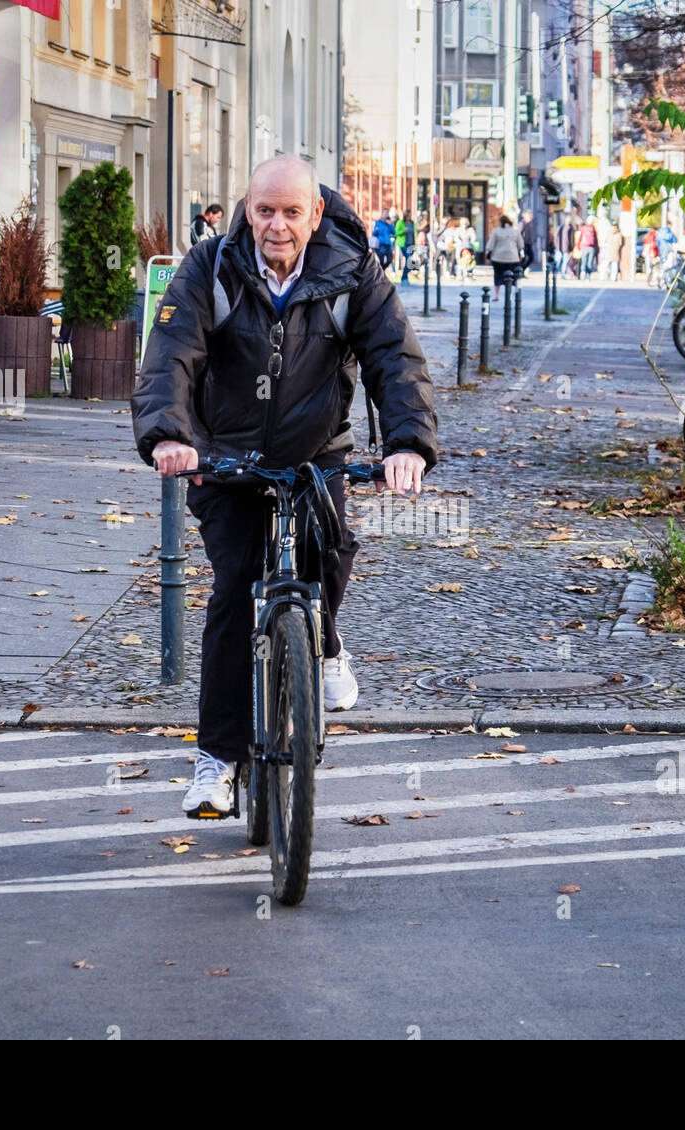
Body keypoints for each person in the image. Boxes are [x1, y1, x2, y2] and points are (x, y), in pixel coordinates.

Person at [131, 155, 439, 817]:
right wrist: (168, 435)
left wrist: (408, 445)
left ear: (315, 214)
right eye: (264, 211)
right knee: (234, 591)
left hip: (314, 456)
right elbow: (170, 356)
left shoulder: (354, 272)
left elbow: (396, 358)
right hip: (225, 461)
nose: (277, 226)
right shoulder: (210, 267)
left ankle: (323, 644)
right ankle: (216, 761)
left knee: (330, 548)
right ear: (247, 209)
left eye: (291, 212)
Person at [484, 213, 525, 300]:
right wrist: (520, 254)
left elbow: (490, 245)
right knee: (513, 277)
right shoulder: (515, 231)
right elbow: (521, 245)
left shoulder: (496, 231)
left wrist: (488, 256)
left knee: (498, 276)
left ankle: (496, 295)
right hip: (512, 258)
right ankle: (515, 294)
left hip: (498, 258)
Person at [578, 215, 598, 279]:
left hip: (584, 247)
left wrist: (579, 246)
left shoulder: (583, 228)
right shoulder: (593, 228)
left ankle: (583, 273)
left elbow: (580, 238)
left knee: (584, 261)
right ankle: (588, 276)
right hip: (591, 247)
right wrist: (596, 248)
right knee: (589, 262)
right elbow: (596, 239)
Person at [518, 210, 535, 275]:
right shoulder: (522, 224)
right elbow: (519, 235)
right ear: (525, 216)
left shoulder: (530, 224)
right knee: (523, 258)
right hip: (523, 244)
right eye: (529, 216)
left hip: (528, 244)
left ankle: (522, 270)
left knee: (531, 257)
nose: (531, 217)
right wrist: (520, 246)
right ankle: (519, 271)